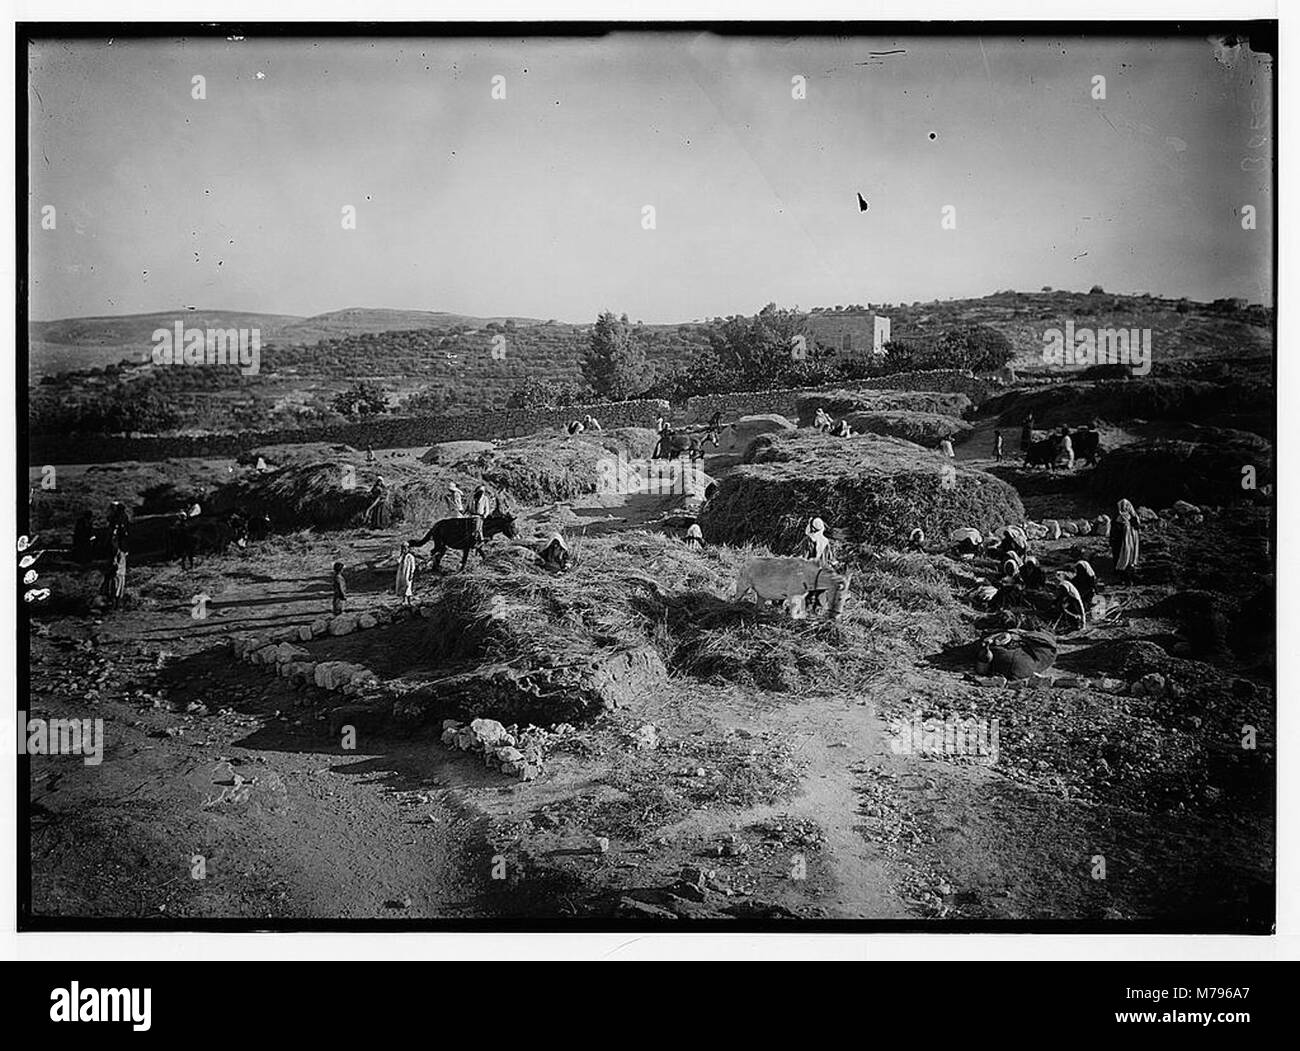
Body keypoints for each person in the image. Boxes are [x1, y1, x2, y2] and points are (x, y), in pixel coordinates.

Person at [1110, 499, 1141, 583]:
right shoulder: (1133, 517)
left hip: (1121, 542)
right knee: (1125, 557)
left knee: (1121, 557)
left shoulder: (1120, 518)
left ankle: (1123, 575)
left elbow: (1114, 530)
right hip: (1126, 543)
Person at [103, 544, 127, 611]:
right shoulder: (120, 554)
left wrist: (109, 572)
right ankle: (116, 606)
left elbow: (116, 565)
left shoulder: (118, 555)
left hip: (117, 575)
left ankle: (114, 607)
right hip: (120, 575)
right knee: (117, 592)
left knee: (115, 591)